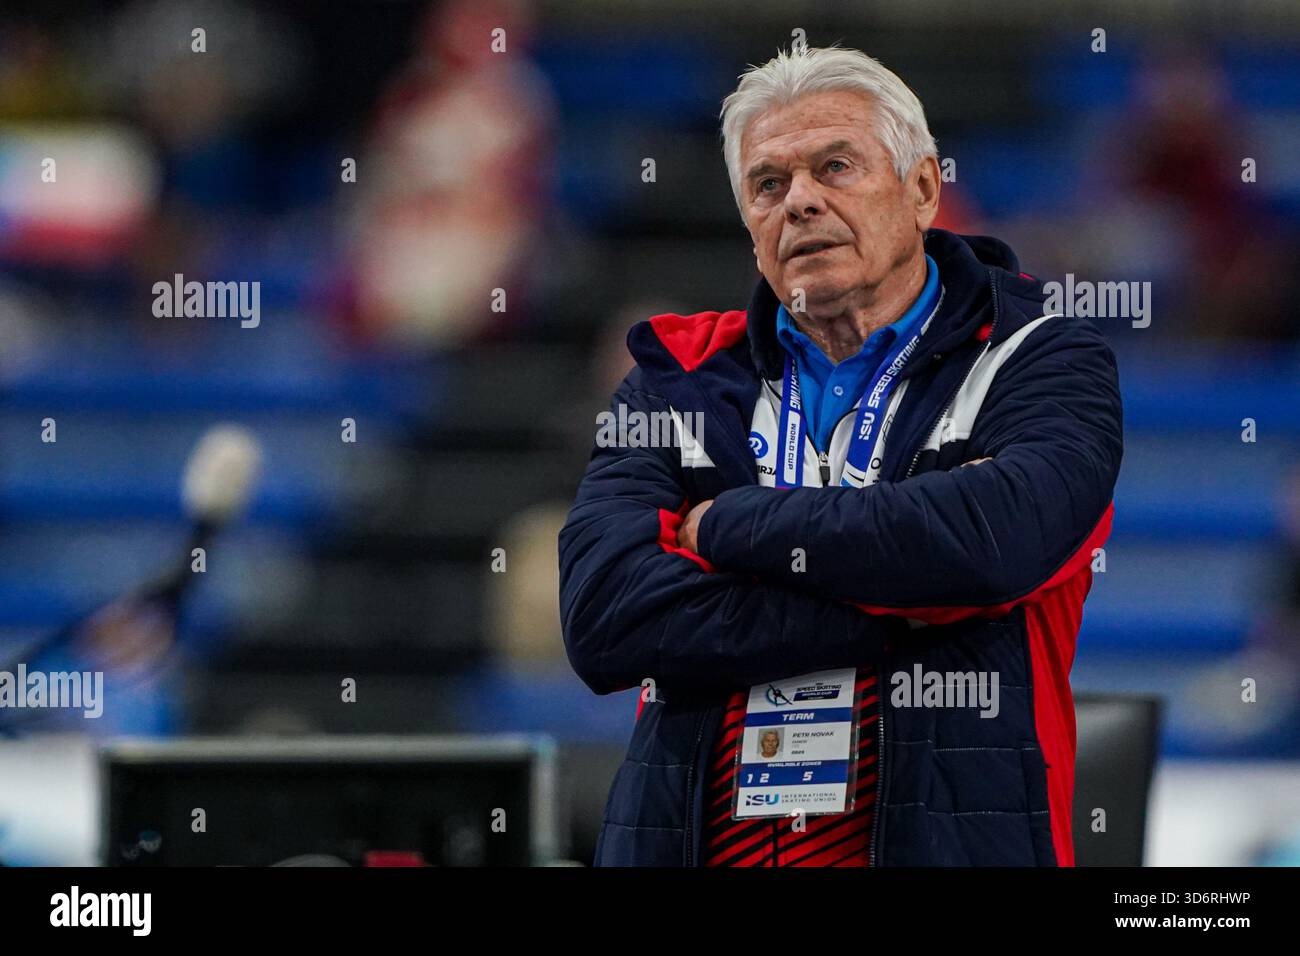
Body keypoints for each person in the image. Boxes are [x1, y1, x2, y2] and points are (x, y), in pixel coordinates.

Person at [559, 46, 1122, 866]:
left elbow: (998, 543)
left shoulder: (1039, 360)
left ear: (923, 187)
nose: (800, 204)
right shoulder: (673, 381)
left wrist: (726, 529)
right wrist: (910, 589)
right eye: (768, 184)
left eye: (835, 166)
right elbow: (606, 618)